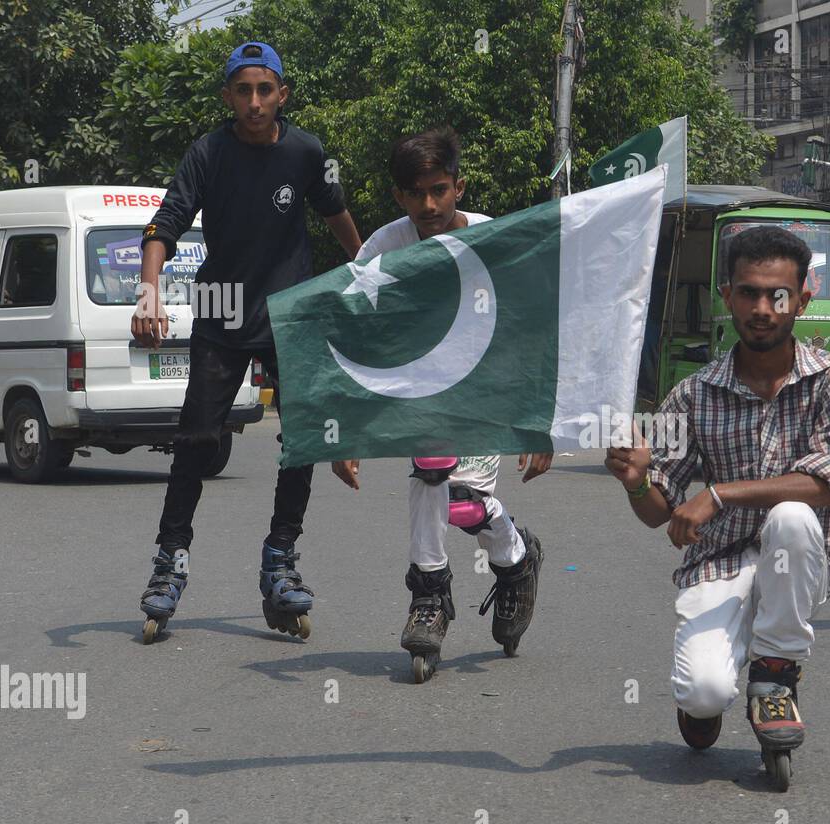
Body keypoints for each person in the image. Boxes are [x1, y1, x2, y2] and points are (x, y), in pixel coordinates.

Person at [605, 226, 830, 789]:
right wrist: (634, 479)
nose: (762, 309)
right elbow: (660, 511)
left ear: (802, 297)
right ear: (727, 297)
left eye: (778, 295)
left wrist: (719, 493)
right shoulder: (692, 393)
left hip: (796, 556)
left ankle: (775, 679)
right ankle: (706, 700)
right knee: (704, 695)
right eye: (748, 293)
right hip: (716, 561)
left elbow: (823, 486)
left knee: (792, 517)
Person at [133, 41, 362, 642]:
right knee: (197, 440)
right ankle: (169, 563)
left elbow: (337, 213)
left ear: (282, 94)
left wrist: (368, 270)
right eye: (243, 90)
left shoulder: (307, 152)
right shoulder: (207, 153)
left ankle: (280, 558)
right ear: (229, 96)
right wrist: (149, 290)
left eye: (265, 90)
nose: (255, 102)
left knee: (302, 440)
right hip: (219, 309)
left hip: (290, 312)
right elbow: (164, 225)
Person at [329, 128, 549, 684]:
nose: (429, 205)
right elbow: (352, 337)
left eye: (440, 190)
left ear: (458, 187)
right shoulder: (381, 249)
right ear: (399, 196)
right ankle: (428, 600)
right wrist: (347, 430)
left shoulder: (493, 241)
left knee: (465, 504)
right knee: (432, 477)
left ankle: (517, 556)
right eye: (416, 193)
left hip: (484, 390)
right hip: (422, 392)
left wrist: (536, 423)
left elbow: (531, 331)